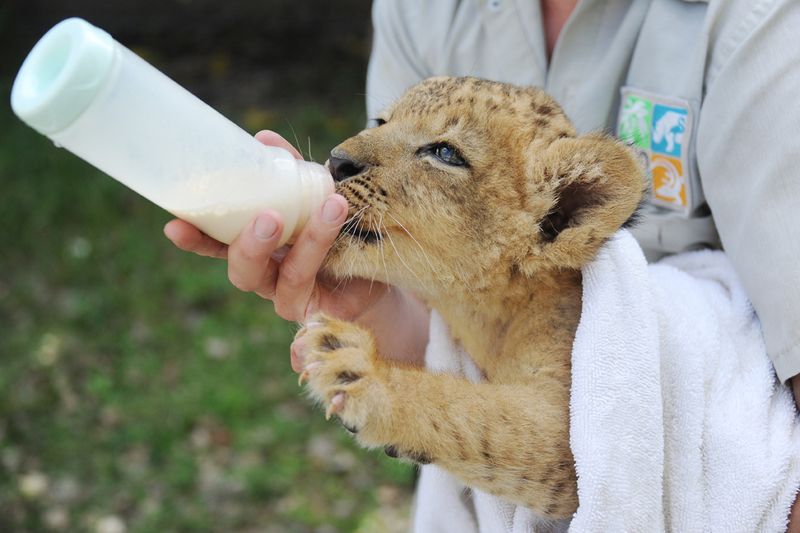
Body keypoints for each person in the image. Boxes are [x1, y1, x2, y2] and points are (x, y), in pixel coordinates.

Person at [165, 0, 800, 528]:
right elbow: (441, 297)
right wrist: (371, 297)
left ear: (557, 223)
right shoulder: (421, 11)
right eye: (381, 124)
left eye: (440, 153)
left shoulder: (762, 24)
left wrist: (389, 396)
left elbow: (573, 458)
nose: (347, 155)